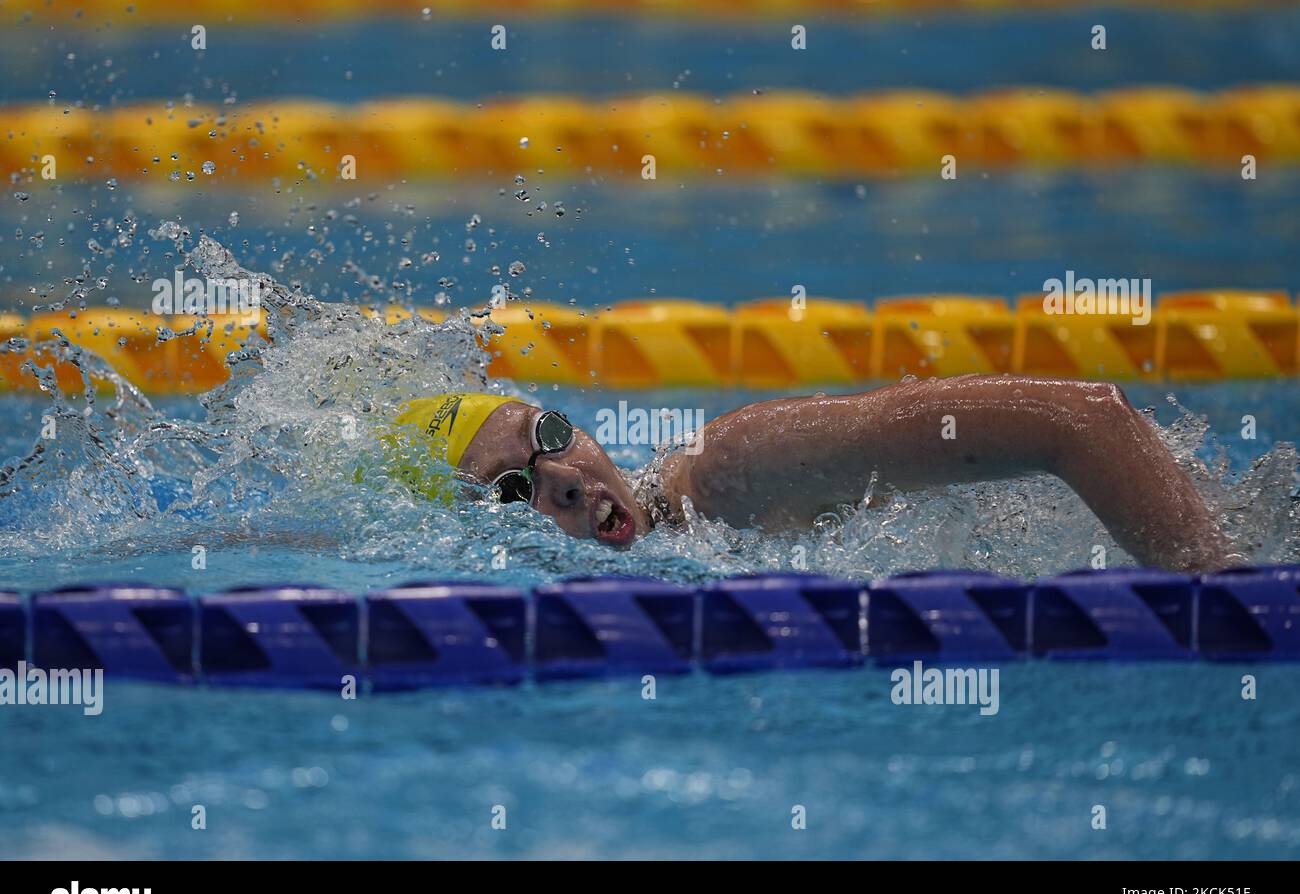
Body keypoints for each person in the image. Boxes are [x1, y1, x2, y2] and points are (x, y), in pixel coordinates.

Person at [387, 374, 1234, 572]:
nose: (564, 481)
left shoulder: (737, 469)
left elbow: (1085, 421)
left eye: (552, 435)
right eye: (513, 490)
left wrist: (1219, 586)